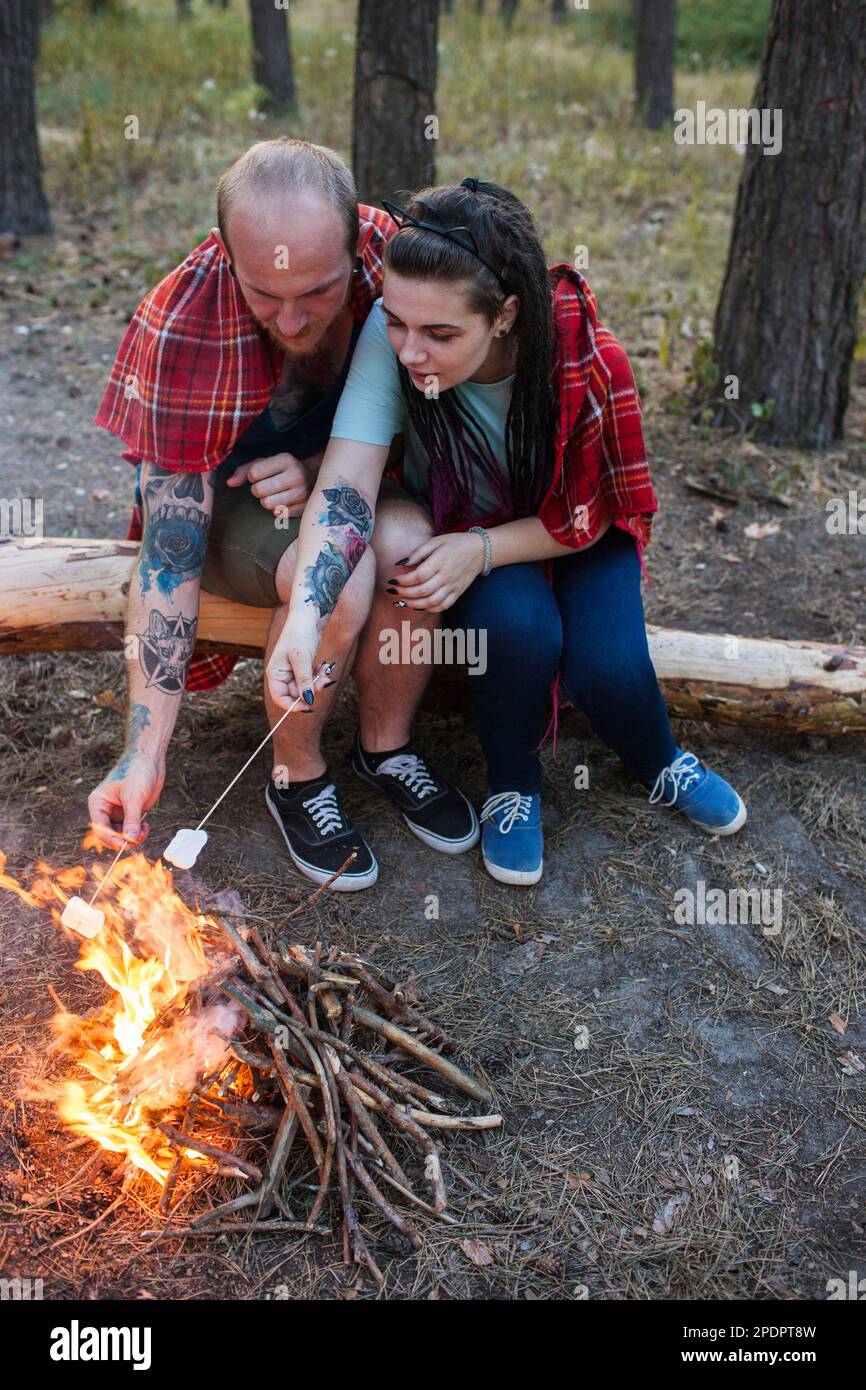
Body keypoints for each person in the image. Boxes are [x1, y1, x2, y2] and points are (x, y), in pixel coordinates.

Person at [268, 178, 747, 887]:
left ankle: (659, 759)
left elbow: (596, 513)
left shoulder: (587, 358)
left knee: (607, 668)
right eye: (396, 322)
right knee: (520, 633)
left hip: (568, 531)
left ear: (505, 316)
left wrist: (480, 550)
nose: (407, 351)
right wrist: (305, 623)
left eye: (439, 334)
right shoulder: (390, 338)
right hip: (472, 521)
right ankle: (512, 787)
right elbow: (345, 490)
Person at [87, 140, 478, 892]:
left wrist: (310, 470)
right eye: (265, 294)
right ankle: (296, 774)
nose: (294, 320)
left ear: (357, 242)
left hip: (357, 476)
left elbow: (438, 416)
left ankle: (385, 746)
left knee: (410, 544)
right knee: (332, 575)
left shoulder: (394, 264)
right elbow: (170, 556)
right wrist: (145, 752)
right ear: (226, 252)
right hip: (233, 501)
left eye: (319, 292)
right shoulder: (182, 322)